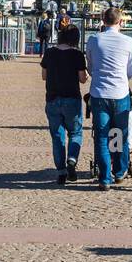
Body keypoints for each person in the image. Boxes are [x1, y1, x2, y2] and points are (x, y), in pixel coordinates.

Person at [85, 7, 132, 190]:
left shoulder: (93, 40)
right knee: (119, 133)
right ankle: (119, 171)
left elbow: (90, 66)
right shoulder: (128, 41)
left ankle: (104, 176)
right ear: (120, 22)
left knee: (101, 136)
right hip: (120, 92)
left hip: (99, 93)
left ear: (102, 20)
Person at [42, 23, 88, 184]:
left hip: (53, 98)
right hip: (71, 98)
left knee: (57, 136)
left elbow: (44, 76)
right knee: (75, 133)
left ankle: (61, 171)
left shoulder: (49, 53)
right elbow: (82, 79)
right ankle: (72, 160)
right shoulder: (77, 55)